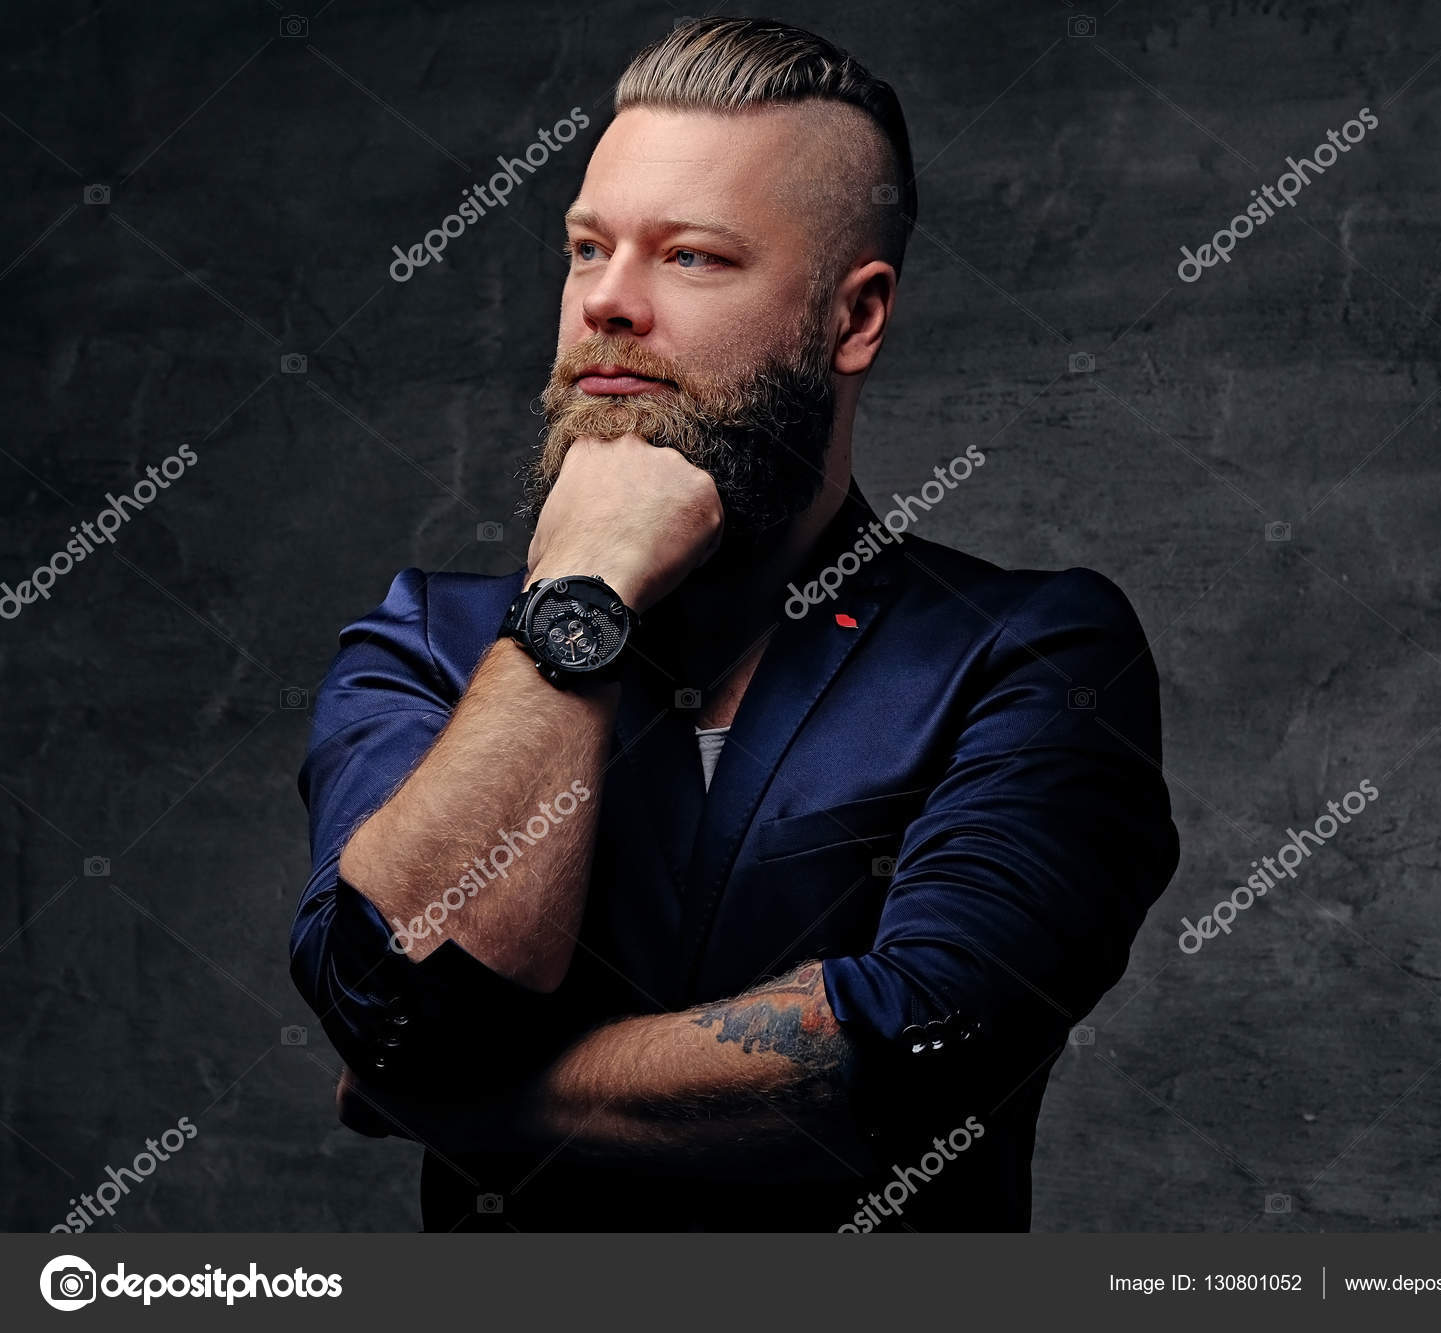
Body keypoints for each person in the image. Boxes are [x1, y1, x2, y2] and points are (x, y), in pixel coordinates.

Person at [290, 15, 1179, 1232]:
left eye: (692, 258)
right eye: (587, 248)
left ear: (852, 317)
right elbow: (408, 997)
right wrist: (586, 587)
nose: (608, 300)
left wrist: (457, 1104)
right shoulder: (430, 643)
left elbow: (914, 1043)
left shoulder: (1024, 651)